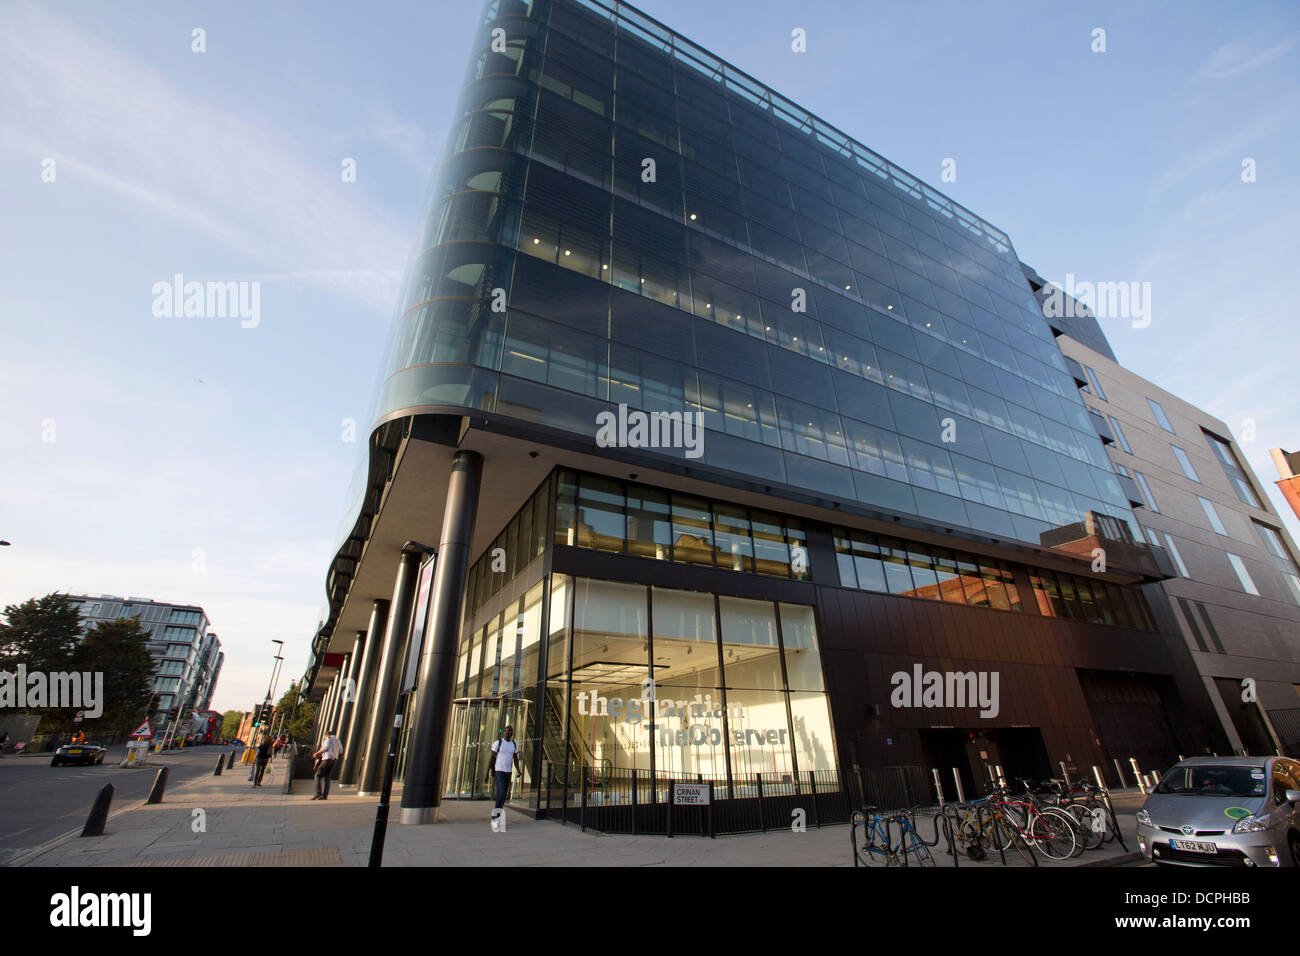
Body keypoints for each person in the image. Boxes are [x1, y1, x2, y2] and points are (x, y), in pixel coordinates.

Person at [484, 725, 523, 817]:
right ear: (504, 732)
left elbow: (515, 758)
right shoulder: (498, 743)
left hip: (508, 771)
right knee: (501, 791)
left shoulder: (514, 744)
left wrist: (518, 769)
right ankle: (496, 815)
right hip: (499, 770)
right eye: (508, 731)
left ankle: (498, 812)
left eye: (511, 731)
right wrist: (487, 772)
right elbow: (492, 758)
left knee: (503, 794)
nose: (509, 733)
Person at [311, 730, 343, 800]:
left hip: (327, 759)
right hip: (334, 760)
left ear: (326, 735)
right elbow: (341, 751)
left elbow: (325, 748)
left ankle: (318, 793)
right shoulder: (338, 740)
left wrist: (316, 753)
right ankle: (325, 795)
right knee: (327, 777)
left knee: (317, 775)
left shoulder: (328, 738)